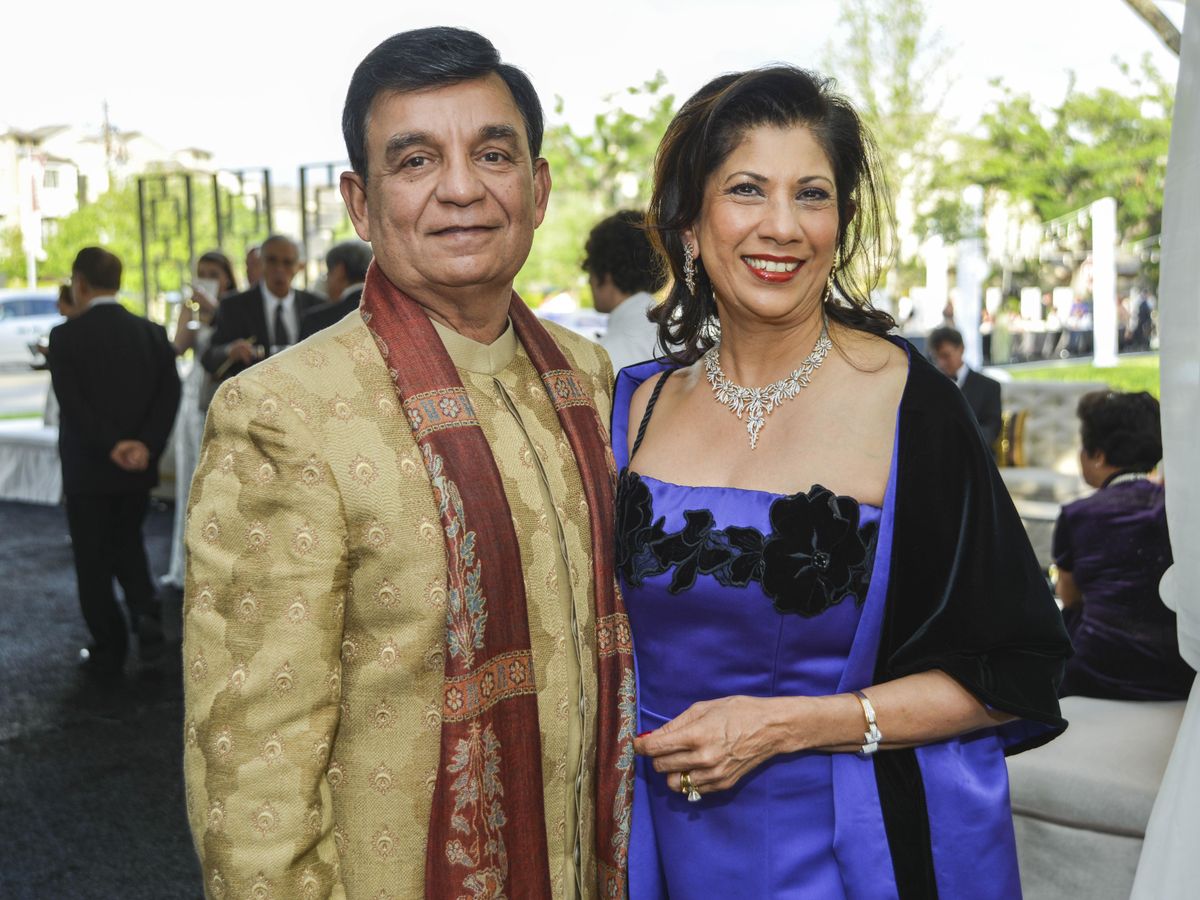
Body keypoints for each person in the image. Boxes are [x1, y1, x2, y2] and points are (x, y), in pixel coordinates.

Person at [183, 27, 633, 900]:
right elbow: (253, 776)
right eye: (416, 160)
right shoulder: (285, 413)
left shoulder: (588, 379)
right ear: (360, 202)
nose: (461, 189)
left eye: (493, 153)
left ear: (536, 190)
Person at [614, 67, 1070, 898]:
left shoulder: (909, 404)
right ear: (687, 218)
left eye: (812, 195)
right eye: (747, 189)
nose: (782, 227)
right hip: (648, 847)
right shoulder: (632, 407)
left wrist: (787, 727)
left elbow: (1014, 668)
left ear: (842, 221)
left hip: (839, 849)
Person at [48, 247, 181, 679]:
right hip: (137, 468)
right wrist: (144, 445)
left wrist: (111, 445)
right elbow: (169, 396)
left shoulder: (65, 337)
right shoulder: (152, 332)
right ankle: (147, 618)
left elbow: (74, 404)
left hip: (89, 467)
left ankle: (109, 647)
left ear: (80, 283)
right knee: (127, 541)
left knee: (92, 557)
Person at [1053, 391, 1193, 701]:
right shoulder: (1179, 508)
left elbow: (1070, 596)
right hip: (1181, 669)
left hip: (1102, 673)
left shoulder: (1078, 515)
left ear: (1098, 455)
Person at [162, 250, 238, 591]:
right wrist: (189, 314)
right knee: (193, 476)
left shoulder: (235, 309)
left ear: (226, 277)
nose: (207, 277)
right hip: (194, 398)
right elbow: (176, 349)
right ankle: (186, 565)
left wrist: (217, 312)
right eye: (201, 272)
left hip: (226, 394)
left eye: (213, 272)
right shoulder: (191, 311)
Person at [199, 234, 322, 384]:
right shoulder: (234, 306)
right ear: (260, 263)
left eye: (287, 262)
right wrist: (230, 351)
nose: (279, 269)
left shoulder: (316, 305)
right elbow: (209, 356)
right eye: (272, 261)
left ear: (298, 267)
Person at [582, 209, 667, 370]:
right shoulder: (684, 338)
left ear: (604, 274)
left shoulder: (603, 358)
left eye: (589, 271)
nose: (588, 281)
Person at [929, 324, 1003, 447]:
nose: (941, 363)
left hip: (975, 457)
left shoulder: (989, 387)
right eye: (936, 358)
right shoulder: (929, 387)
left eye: (946, 356)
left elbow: (991, 431)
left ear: (961, 349)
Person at [298, 239, 373, 338]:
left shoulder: (317, 320)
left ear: (339, 271)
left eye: (328, 274)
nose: (327, 282)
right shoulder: (390, 313)